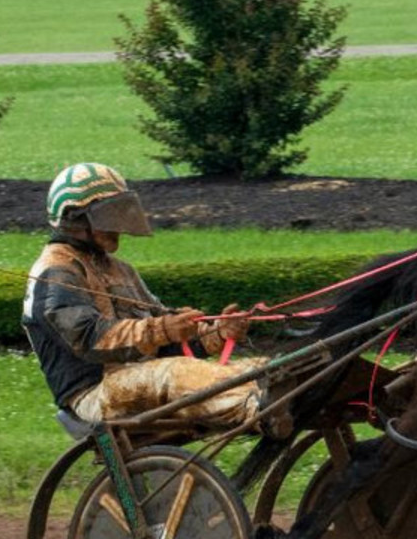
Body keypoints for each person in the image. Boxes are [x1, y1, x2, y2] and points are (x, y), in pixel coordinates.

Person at [22, 162, 287, 436]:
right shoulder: (54, 271)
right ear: (75, 221)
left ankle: (283, 392)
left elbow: (163, 342)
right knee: (173, 373)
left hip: (141, 377)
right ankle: (259, 407)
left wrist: (217, 333)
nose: (118, 226)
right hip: (92, 396)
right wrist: (163, 328)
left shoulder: (121, 270)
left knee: (261, 369)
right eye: (108, 216)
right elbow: (90, 338)